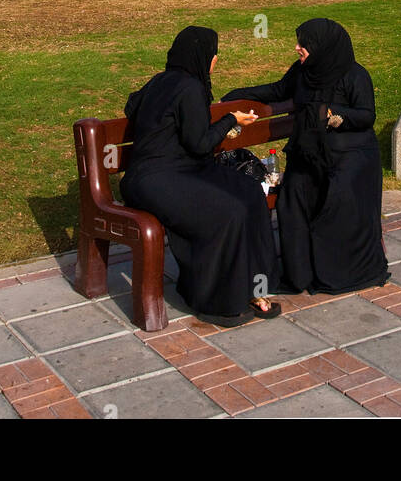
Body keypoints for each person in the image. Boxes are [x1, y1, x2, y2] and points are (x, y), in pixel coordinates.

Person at [120, 25, 281, 326]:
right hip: (155, 179)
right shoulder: (189, 87)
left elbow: (133, 105)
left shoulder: (162, 81)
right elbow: (200, 143)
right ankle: (218, 300)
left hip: (178, 171)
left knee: (250, 194)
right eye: (214, 54)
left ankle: (255, 286)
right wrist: (232, 119)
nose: (216, 60)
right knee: (228, 211)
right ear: (201, 57)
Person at [222, 18, 389, 296]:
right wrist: (235, 97)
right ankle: (300, 273)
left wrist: (336, 115)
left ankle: (338, 272)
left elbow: (367, 116)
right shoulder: (303, 72)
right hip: (310, 153)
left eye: (304, 44)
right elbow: (277, 91)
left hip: (351, 154)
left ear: (322, 47)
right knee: (292, 195)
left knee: (338, 194)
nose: (297, 48)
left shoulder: (355, 75)